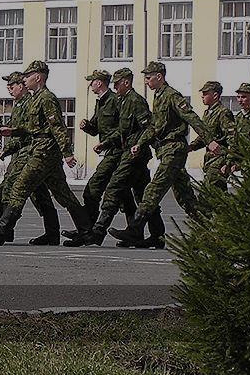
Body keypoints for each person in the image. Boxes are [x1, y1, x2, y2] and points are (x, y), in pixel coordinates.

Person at [0, 60, 90, 245]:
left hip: (44, 151)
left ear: (37, 77)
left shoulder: (46, 98)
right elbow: (32, 128)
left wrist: (67, 153)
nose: (24, 80)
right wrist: (12, 131)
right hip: (41, 149)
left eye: (28, 76)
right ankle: (85, 230)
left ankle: (3, 229)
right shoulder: (37, 98)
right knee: (62, 194)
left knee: (19, 187)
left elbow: (57, 126)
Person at [109, 61, 219, 246]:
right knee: (185, 197)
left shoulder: (171, 95)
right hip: (165, 150)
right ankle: (210, 231)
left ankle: (134, 229)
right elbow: (155, 127)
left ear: (159, 77)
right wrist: (140, 143)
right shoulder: (158, 96)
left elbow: (191, 117)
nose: (146, 81)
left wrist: (209, 140)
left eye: (148, 77)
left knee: (154, 188)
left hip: (174, 149)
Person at [65, 68, 165, 248]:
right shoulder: (122, 100)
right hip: (126, 152)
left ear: (126, 82)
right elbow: (119, 130)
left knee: (113, 189)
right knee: (141, 196)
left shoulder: (134, 101)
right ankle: (152, 235)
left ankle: (97, 232)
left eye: (117, 83)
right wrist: (95, 133)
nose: (115, 86)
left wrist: (139, 145)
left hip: (132, 154)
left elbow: (147, 128)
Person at [0, 71, 60, 244]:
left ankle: (0, 228)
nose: (9, 89)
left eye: (12, 85)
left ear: (22, 85)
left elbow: (28, 131)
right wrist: (0, 130)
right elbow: (14, 129)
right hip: (22, 153)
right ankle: (49, 233)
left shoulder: (30, 103)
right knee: (38, 194)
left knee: (12, 188)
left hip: (29, 153)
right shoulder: (18, 105)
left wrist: (9, 145)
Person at [77, 70, 120, 233]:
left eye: (92, 81)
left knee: (93, 188)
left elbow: (123, 128)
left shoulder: (115, 100)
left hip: (116, 151)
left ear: (99, 82)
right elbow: (95, 129)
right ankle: (88, 229)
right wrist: (87, 126)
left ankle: (87, 229)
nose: (90, 85)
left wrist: (105, 143)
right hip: (108, 151)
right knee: (124, 196)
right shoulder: (100, 102)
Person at [189, 81, 235, 194]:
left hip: (219, 159)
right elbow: (205, 136)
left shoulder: (223, 113)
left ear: (215, 95)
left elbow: (232, 138)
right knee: (216, 194)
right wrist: (191, 147)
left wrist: (228, 162)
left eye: (205, 93)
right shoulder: (208, 113)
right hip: (209, 159)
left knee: (210, 192)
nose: (202, 96)